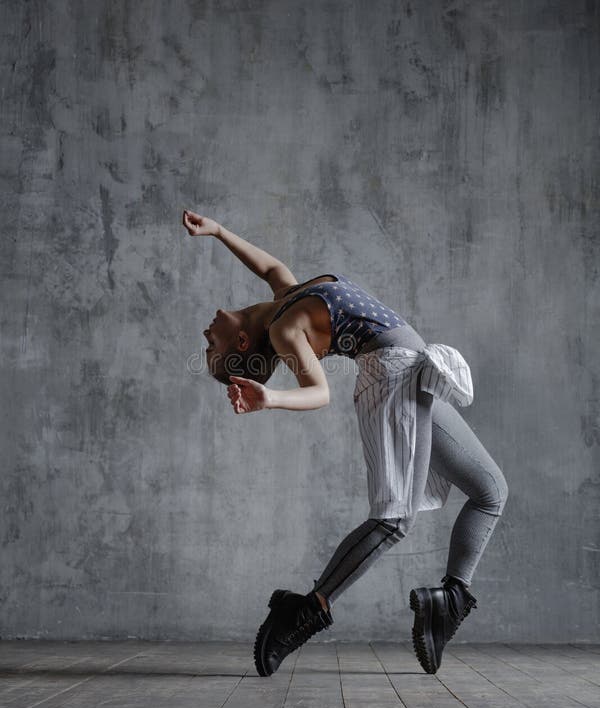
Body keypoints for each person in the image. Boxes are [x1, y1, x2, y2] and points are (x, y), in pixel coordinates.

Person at [182, 209, 509, 677]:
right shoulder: (283, 328)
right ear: (240, 343)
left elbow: (269, 266)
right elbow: (319, 392)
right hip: (392, 376)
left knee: (490, 491)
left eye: (208, 347)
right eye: (211, 348)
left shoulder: (286, 296)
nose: (204, 336)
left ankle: (448, 602)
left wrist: (217, 232)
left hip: (413, 370)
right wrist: (270, 397)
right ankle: (304, 610)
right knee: (394, 519)